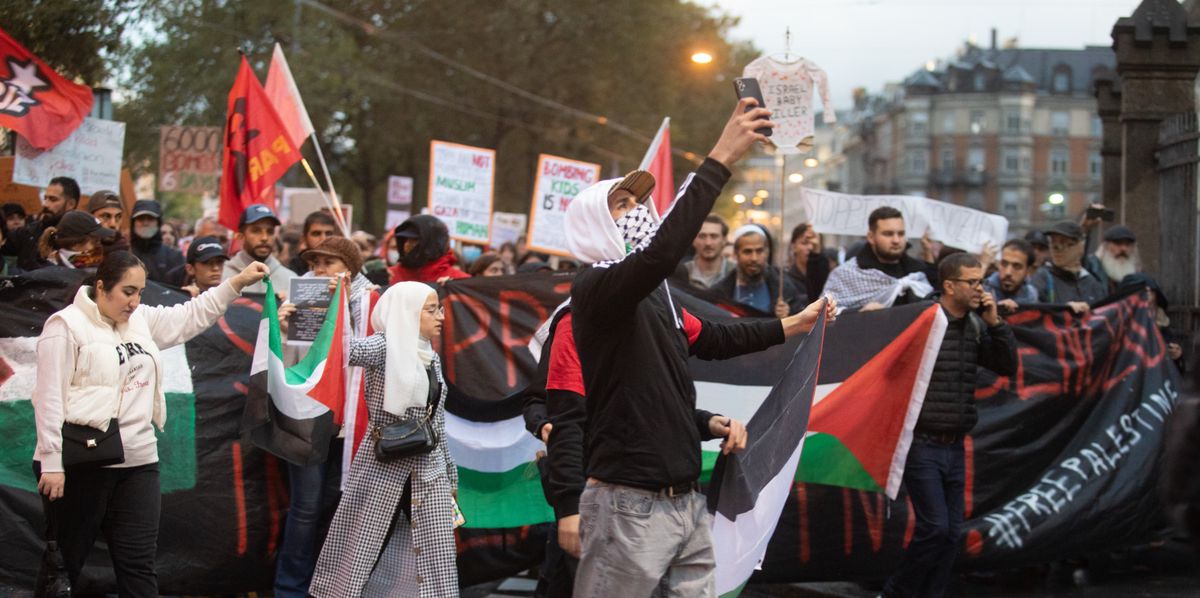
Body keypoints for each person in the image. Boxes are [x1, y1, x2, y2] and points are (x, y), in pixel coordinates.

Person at [561, 99, 835, 596]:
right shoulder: (597, 290)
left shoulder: (655, 296)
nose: (638, 212)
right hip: (628, 503)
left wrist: (793, 324)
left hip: (685, 499)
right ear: (590, 227)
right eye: (621, 206)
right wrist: (721, 158)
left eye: (638, 203)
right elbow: (663, 251)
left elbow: (711, 340)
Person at [32, 251, 269, 596]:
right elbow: (49, 397)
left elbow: (190, 316)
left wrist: (235, 283)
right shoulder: (65, 326)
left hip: (141, 461)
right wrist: (52, 461)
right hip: (84, 460)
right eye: (128, 291)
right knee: (66, 563)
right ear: (101, 287)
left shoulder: (140, 318)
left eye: (140, 292)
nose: (135, 301)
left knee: (139, 564)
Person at [881, 253, 1017, 598]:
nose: (980, 289)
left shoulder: (974, 325)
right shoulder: (923, 321)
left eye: (982, 281)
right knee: (935, 528)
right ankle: (897, 592)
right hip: (922, 444)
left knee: (951, 532)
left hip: (954, 444)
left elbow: (1007, 366)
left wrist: (996, 324)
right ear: (949, 286)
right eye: (972, 282)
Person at [310, 282, 458, 598]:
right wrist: (326, 313)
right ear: (407, 312)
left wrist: (450, 475)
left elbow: (438, 420)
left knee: (433, 559)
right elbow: (343, 350)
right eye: (431, 309)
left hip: (428, 474)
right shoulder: (384, 346)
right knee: (360, 554)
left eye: (439, 308)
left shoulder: (430, 354)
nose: (440, 317)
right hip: (383, 469)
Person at [273, 236, 379, 598]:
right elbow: (292, 368)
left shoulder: (373, 303)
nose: (319, 270)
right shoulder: (306, 298)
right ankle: (290, 589)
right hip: (311, 418)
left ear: (350, 268)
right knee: (305, 508)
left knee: (340, 508)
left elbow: (374, 357)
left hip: (353, 425)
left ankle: (330, 586)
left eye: (328, 263)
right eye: (315, 263)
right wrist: (284, 331)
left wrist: (347, 309)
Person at [823, 206, 936, 312]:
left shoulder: (918, 272)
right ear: (871, 237)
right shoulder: (845, 275)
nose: (896, 240)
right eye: (888, 234)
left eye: (901, 234)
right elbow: (825, 313)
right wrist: (858, 313)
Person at [714, 224, 805, 317]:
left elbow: (801, 319)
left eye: (759, 251)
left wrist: (788, 316)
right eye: (747, 252)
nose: (754, 258)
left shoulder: (785, 286)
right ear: (735, 253)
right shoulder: (721, 292)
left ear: (767, 252)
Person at [1030, 220, 1107, 314]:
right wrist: (1064, 309)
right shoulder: (1042, 278)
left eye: (1065, 243)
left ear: (1079, 247)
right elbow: (1032, 311)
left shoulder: (1093, 284)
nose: (1057, 248)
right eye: (1053, 243)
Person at [223, 204, 297, 297]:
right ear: (241, 235)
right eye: (256, 231)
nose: (264, 238)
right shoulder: (221, 276)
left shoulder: (290, 279)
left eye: (270, 231)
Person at [15, 177, 81, 271]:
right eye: (45, 198)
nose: (45, 204)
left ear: (71, 204)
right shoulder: (29, 232)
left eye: (53, 199)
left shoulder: (81, 239)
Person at [387, 215, 469, 284]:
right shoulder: (389, 276)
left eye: (414, 240)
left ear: (433, 243)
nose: (407, 244)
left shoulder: (460, 281)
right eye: (405, 240)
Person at [129, 200, 185, 286]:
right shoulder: (123, 254)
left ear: (158, 223)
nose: (145, 223)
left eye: (150, 219)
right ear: (133, 223)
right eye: (141, 218)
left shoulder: (175, 257)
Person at [36, 210, 113, 269]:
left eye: (100, 241)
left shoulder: (98, 270)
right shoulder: (50, 276)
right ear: (75, 244)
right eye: (94, 242)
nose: (99, 247)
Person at [982, 239, 1038, 312]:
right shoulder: (983, 289)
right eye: (1004, 264)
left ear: (1028, 271)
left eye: (1017, 266)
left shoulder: (1031, 295)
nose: (1008, 272)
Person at [684, 214, 734, 289]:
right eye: (702, 236)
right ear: (693, 240)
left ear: (724, 240)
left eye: (714, 236)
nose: (708, 243)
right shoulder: (682, 273)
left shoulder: (736, 273)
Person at [1089, 225, 1140, 294]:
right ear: (1105, 247)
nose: (1124, 249)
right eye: (1118, 243)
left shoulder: (1139, 277)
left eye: (1127, 244)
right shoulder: (1092, 269)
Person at [786, 222, 830, 300]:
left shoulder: (828, 277)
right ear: (793, 246)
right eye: (804, 243)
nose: (810, 247)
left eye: (815, 244)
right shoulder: (784, 279)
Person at [288, 211, 341, 275]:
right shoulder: (293, 268)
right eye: (316, 234)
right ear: (304, 238)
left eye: (328, 234)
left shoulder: (343, 265)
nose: (323, 238)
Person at [84, 190, 132, 256]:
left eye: (118, 217)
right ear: (90, 218)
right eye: (105, 216)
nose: (113, 224)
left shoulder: (130, 255)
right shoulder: (78, 253)